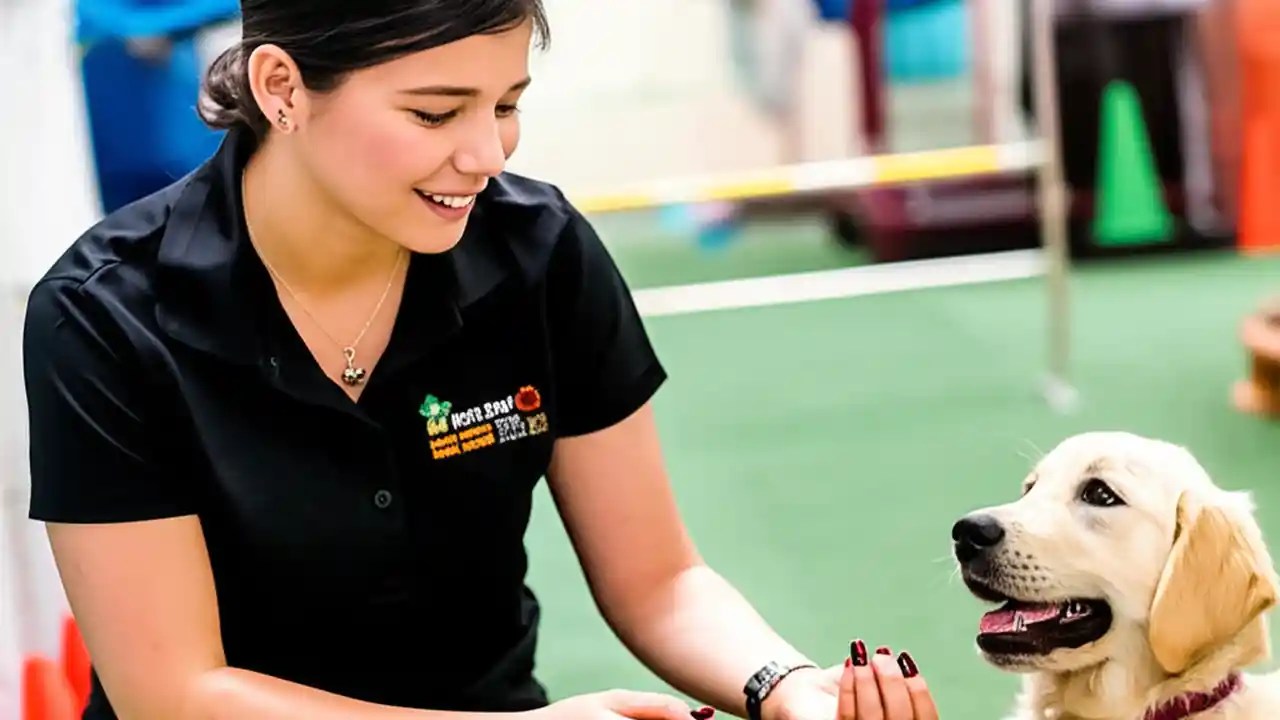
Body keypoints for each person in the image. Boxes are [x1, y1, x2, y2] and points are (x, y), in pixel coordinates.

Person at [21, 2, 941, 719]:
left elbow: (658, 578)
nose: (484, 154)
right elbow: (176, 695)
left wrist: (782, 683)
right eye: (434, 113)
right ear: (281, 88)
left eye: (507, 105)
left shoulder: (540, 252)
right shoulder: (105, 316)